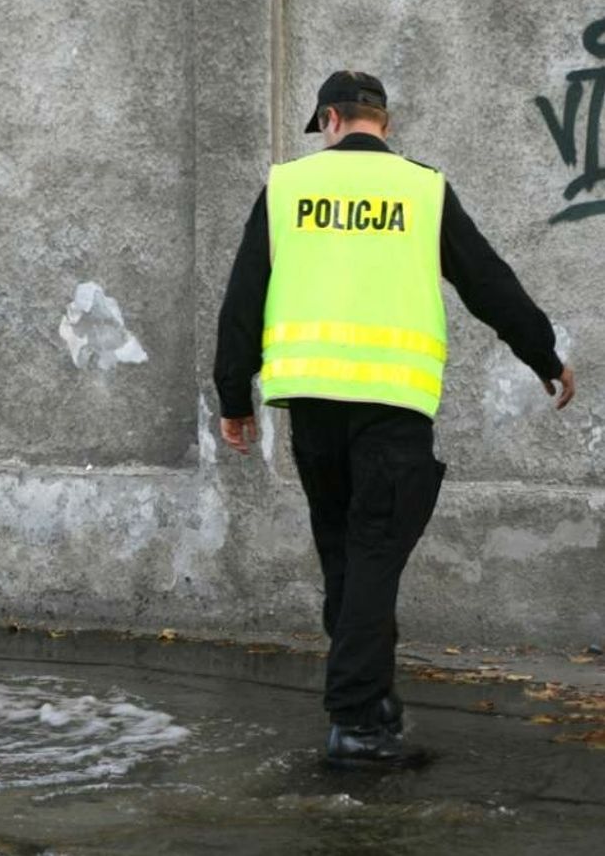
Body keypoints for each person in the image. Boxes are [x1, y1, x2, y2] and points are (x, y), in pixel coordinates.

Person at [213, 70, 576, 767]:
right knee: (374, 558)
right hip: (394, 407)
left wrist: (235, 397)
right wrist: (544, 355)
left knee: (346, 559)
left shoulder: (288, 187)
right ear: (385, 120)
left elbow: (242, 296)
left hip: (312, 406)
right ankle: (356, 723)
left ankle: (372, 701)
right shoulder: (422, 187)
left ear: (328, 119)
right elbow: (487, 281)